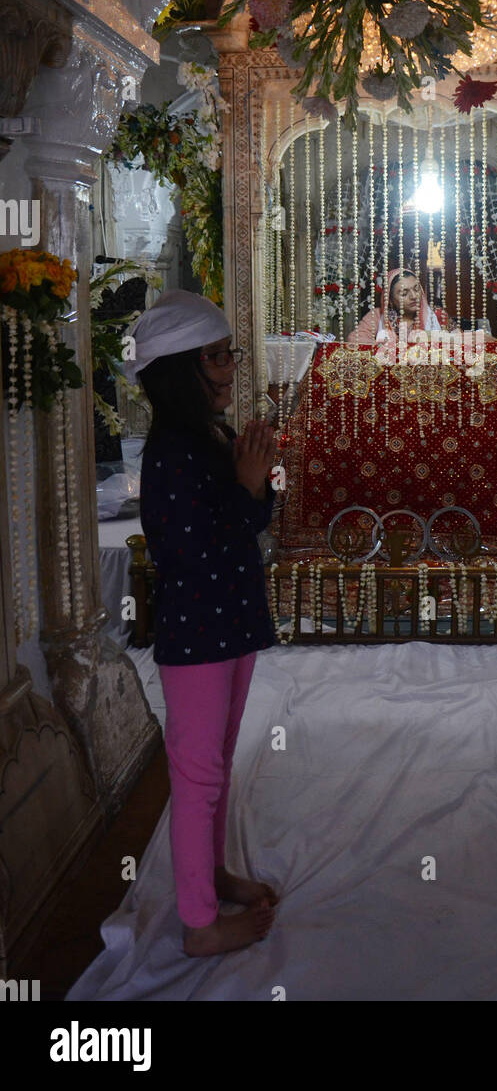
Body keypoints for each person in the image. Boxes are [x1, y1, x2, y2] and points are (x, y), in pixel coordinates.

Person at [126, 289, 280, 957]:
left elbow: (247, 525)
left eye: (228, 354)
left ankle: (210, 876)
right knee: (198, 776)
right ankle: (198, 925)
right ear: (179, 371)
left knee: (216, 763)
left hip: (230, 626)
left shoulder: (207, 437)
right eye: (216, 358)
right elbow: (196, 553)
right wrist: (248, 487)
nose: (230, 369)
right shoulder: (170, 453)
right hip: (197, 638)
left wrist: (258, 482)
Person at [347, 267, 454, 345]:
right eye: (404, 293)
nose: (413, 296)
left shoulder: (437, 314)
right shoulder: (377, 316)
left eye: (416, 289)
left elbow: (461, 340)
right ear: (390, 300)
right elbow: (354, 340)